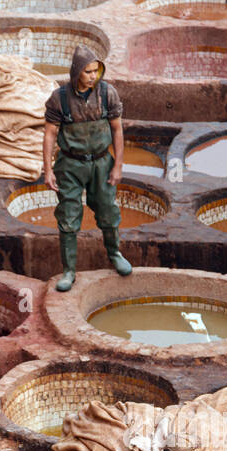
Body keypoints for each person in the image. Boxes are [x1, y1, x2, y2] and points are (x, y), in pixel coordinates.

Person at [43, 46, 132, 293]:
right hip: (70, 164)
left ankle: (115, 254)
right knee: (69, 217)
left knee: (108, 210)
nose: (93, 76)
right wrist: (48, 169)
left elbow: (117, 129)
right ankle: (69, 271)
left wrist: (118, 164)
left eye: (96, 71)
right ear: (76, 73)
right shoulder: (59, 98)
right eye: (87, 72)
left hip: (101, 162)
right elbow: (50, 134)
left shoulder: (107, 93)